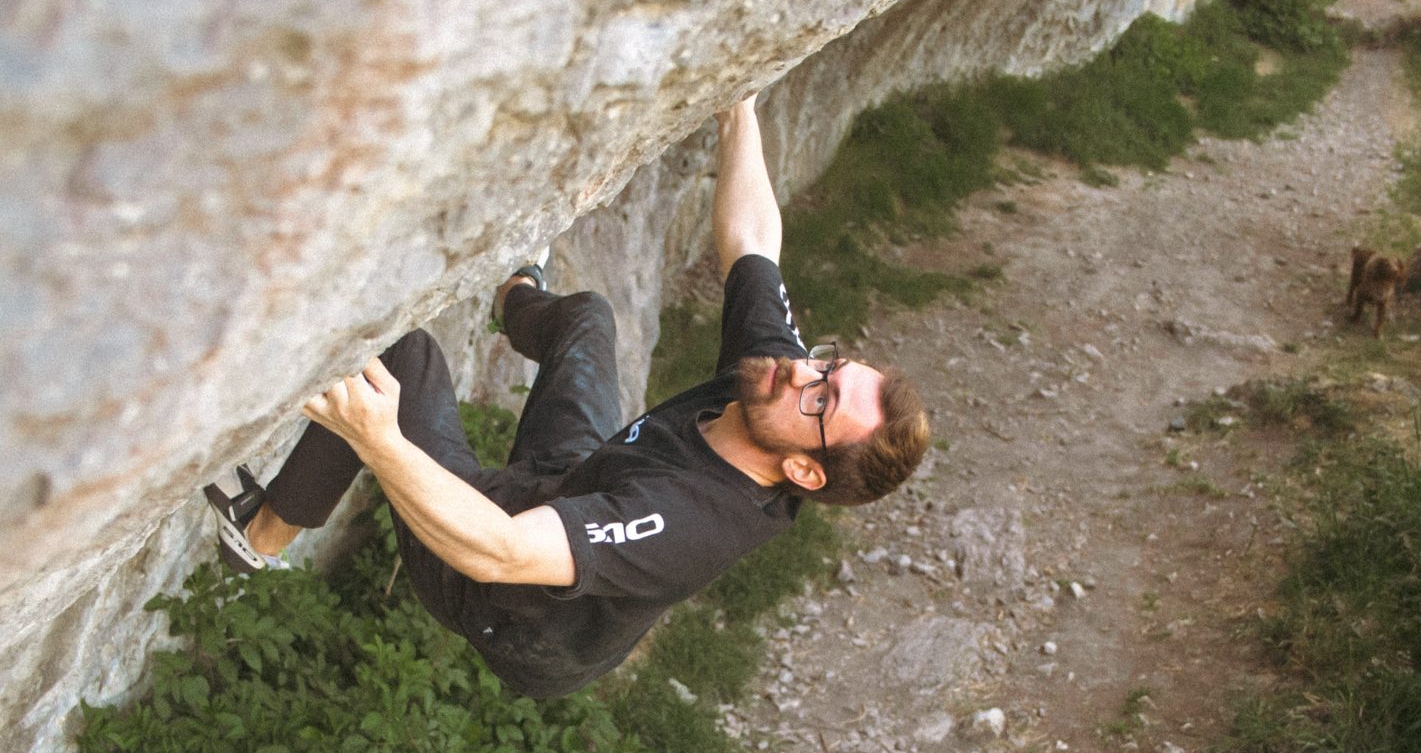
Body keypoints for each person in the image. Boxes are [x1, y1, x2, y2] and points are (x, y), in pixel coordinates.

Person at [202, 95, 931, 700]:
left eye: (821, 399)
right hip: (577, 477)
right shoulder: (779, 383)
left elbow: (501, 551)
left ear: (805, 471)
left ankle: (259, 536)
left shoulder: (689, 524)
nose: (801, 371)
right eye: (827, 365)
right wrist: (737, 108)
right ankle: (514, 288)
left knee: (399, 361)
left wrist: (381, 441)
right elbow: (753, 243)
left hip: (504, 600)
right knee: (585, 321)